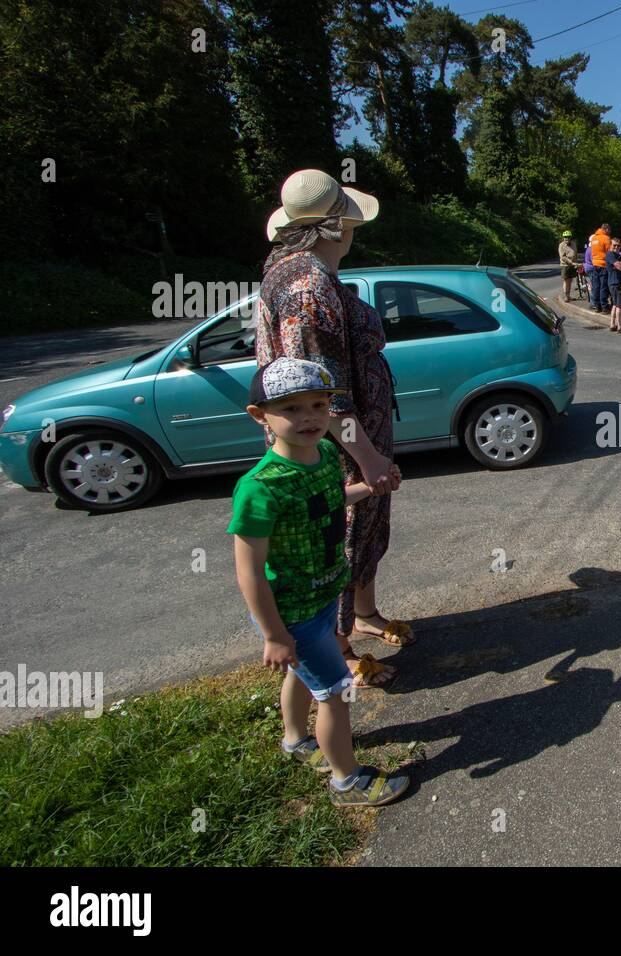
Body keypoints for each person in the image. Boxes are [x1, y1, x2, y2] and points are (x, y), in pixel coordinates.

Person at [230, 356, 409, 807]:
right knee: (335, 693)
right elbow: (249, 571)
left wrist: (370, 488)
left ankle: (294, 740)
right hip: (291, 613)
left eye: (318, 405)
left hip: (323, 597)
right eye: (290, 409)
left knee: (305, 676)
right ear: (259, 416)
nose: (308, 417)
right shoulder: (261, 488)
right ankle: (347, 781)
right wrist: (273, 635)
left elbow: (330, 502)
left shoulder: (327, 455)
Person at [256, 169, 405, 690]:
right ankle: (338, 650)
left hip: (352, 436)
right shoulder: (307, 288)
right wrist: (368, 458)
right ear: (333, 226)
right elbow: (322, 395)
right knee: (339, 540)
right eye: (349, 221)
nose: (355, 230)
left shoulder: (295, 269)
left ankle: (363, 614)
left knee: (365, 530)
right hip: (338, 447)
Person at [606, 236, 621, 332]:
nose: (616, 247)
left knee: (615, 304)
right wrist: (620, 263)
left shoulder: (617, 255)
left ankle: (612, 324)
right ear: (610, 246)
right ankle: (619, 326)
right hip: (615, 282)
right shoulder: (610, 255)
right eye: (614, 245)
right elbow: (619, 267)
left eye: (618, 246)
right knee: (619, 305)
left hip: (616, 282)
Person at [588, 223, 612, 313]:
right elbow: (609, 252)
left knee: (596, 286)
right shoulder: (606, 238)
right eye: (609, 230)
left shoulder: (594, 238)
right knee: (603, 286)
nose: (610, 232)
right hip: (603, 265)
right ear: (605, 229)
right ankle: (605, 307)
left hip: (595, 265)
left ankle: (597, 306)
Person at [558, 230, 578, 301]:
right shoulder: (561, 245)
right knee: (566, 281)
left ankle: (568, 295)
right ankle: (566, 296)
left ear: (570, 238)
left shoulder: (573, 244)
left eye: (568, 237)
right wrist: (571, 262)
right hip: (565, 265)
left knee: (570, 281)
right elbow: (563, 257)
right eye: (565, 237)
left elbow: (575, 254)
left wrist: (576, 263)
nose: (566, 238)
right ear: (563, 238)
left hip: (573, 265)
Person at [583, 240, 597, 310]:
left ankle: (593, 303)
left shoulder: (588, 248)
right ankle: (593, 303)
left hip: (588, 268)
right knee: (594, 286)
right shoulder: (591, 250)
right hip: (592, 269)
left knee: (591, 285)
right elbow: (593, 261)